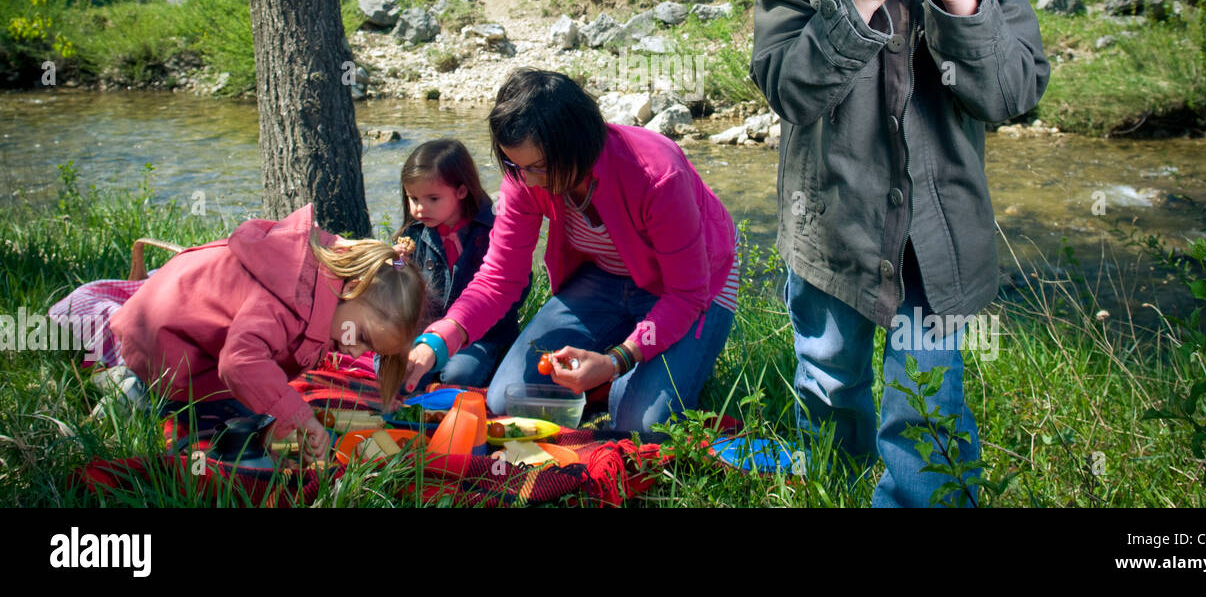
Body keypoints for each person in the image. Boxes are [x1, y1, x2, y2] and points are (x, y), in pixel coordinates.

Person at [749, 0, 1050, 506]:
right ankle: (834, 482)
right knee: (827, 381)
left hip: (940, 241)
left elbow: (1016, 93)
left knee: (925, 416)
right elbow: (786, 87)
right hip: (829, 229)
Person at [402, 69, 739, 436]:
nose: (525, 180)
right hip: (607, 277)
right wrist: (439, 338)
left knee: (640, 426)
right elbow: (500, 278)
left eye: (537, 168)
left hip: (697, 286)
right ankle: (616, 374)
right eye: (514, 165)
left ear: (576, 147)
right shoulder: (523, 177)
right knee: (505, 400)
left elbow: (686, 293)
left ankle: (641, 372)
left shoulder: (657, 175)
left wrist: (616, 360)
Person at [107, 204, 425, 459]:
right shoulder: (285, 297)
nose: (355, 352)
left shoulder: (327, 296)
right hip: (160, 346)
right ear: (354, 287)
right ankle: (130, 390)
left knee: (257, 417)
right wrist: (297, 414)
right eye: (363, 337)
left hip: (202, 348)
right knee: (222, 435)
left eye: (368, 350)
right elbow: (239, 362)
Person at [392, 138, 523, 389]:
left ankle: (493, 362)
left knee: (458, 375)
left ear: (461, 192)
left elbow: (515, 286)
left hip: (480, 335)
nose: (420, 208)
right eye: (413, 198)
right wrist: (397, 265)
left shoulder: (491, 231)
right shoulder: (414, 234)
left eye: (432, 198)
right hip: (426, 330)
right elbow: (398, 285)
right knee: (396, 370)